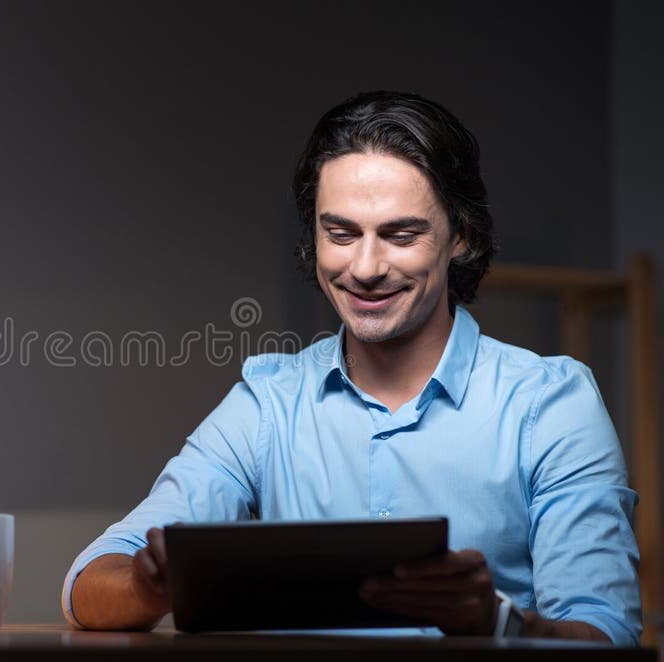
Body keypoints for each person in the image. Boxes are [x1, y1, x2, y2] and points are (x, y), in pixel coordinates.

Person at [61, 91, 642, 644]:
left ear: (460, 236)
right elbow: (89, 584)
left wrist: (495, 621)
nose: (364, 268)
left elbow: (607, 634)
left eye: (401, 234)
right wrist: (145, 585)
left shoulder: (551, 405)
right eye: (340, 233)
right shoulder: (268, 403)